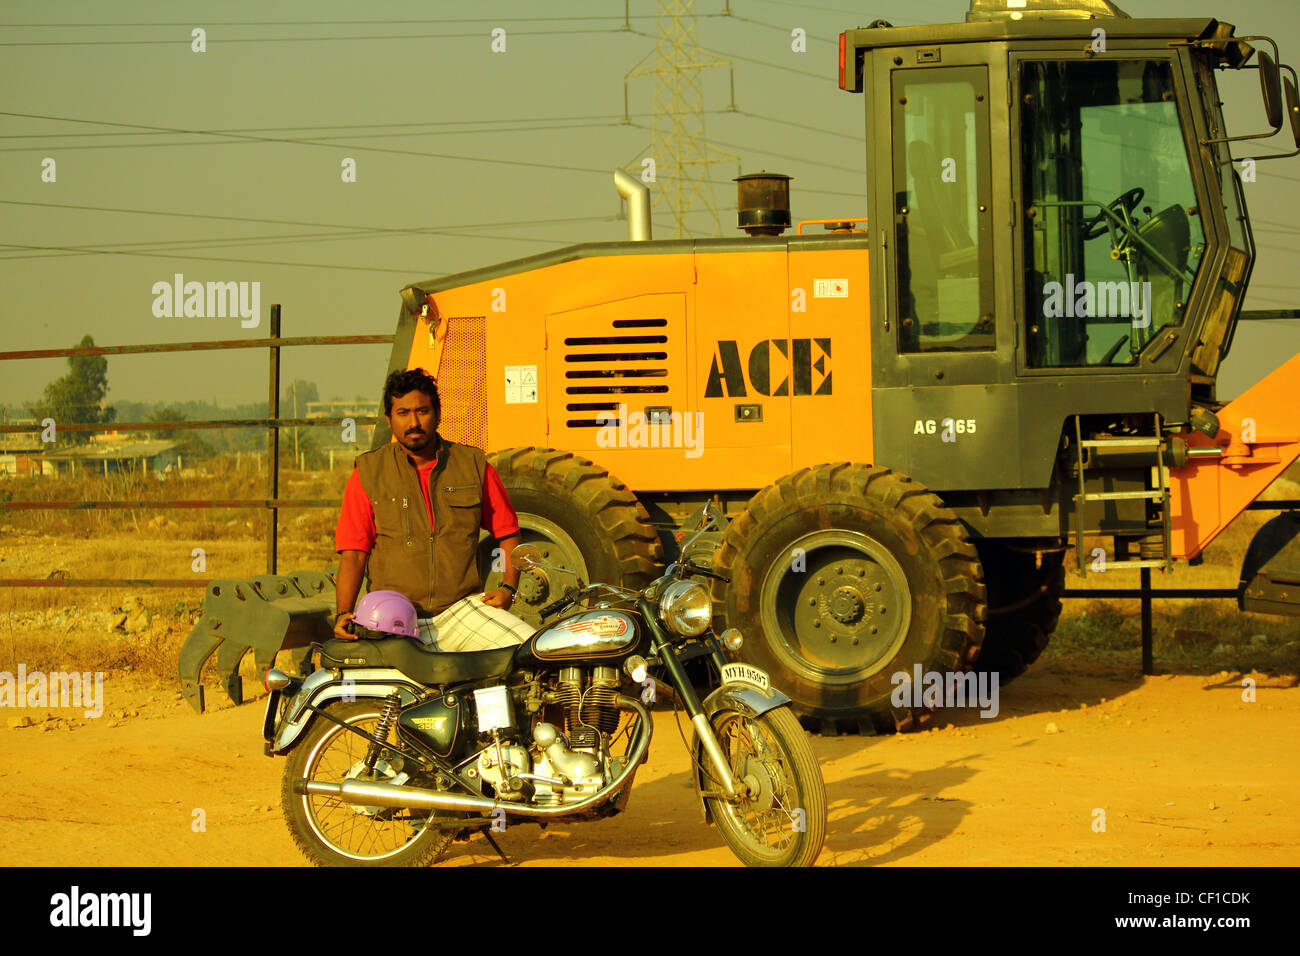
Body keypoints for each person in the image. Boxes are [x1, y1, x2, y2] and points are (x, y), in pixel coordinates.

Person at [332, 368, 533, 651]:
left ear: (437, 414)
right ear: (389, 420)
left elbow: (509, 533)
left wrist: (508, 589)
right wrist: (344, 613)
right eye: (403, 413)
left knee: (529, 651)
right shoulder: (368, 472)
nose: (414, 422)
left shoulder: (473, 464)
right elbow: (353, 554)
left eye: (422, 411)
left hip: (462, 611)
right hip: (391, 616)